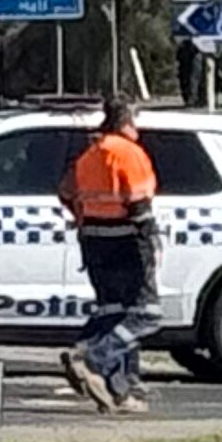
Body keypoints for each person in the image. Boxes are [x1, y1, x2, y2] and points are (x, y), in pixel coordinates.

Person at [59, 95, 161, 414]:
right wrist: (150, 241)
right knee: (147, 313)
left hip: (93, 238)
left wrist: (84, 217)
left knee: (114, 312)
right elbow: (139, 204)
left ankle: (119, 390)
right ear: (127, 121)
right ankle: (91, 357)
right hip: (126, 239)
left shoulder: (91, 152)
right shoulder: (129, 153)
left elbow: (65, 191)